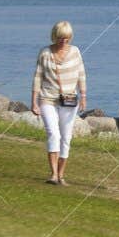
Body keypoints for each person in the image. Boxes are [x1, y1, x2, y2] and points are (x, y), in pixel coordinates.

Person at [31, 20, 86, 186]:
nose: (64, 40)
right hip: (47, 99)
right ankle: (53, 174)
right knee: (53, 134)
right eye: (61, 37)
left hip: (69, 100)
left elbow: (81, 74)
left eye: (67, 37)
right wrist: (34, 102)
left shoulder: (75, 52)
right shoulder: (45, 53)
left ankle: (61, 175)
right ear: (55, 36)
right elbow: (37, 77)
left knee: (66, 137)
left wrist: (83, 96)